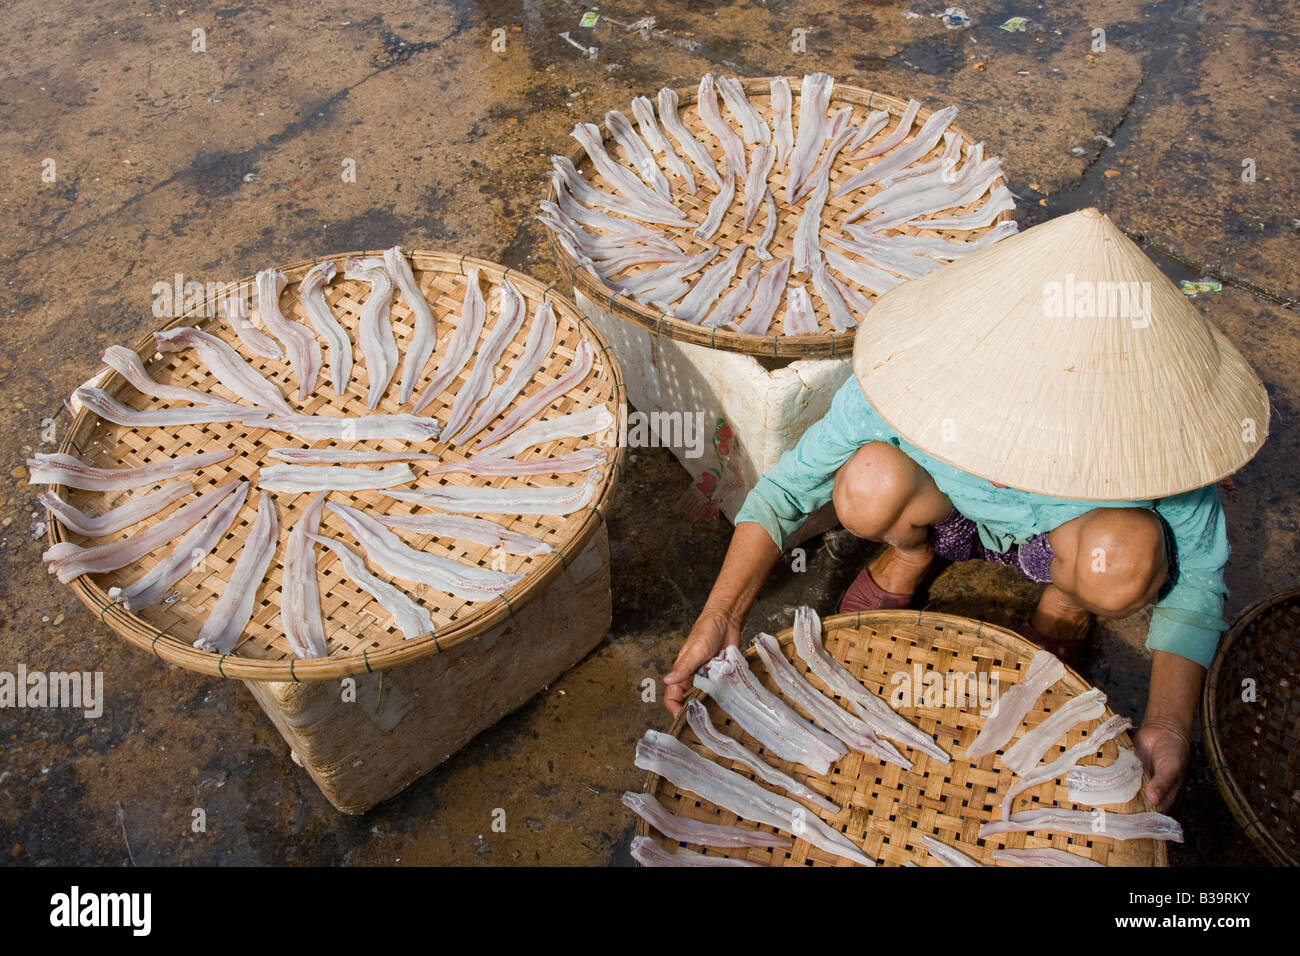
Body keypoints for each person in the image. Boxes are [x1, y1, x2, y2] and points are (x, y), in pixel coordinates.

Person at [664, 209, 1269, 815]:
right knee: (868, 482)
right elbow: (784, 492)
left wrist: (1167, 725)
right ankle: (912, 552)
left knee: (1124, 557)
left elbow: (1196, 588)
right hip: (949, 513)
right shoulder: (908, 381)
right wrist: (721, 614)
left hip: (1062, 542)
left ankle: (1066, 601)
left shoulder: (1158, 441)